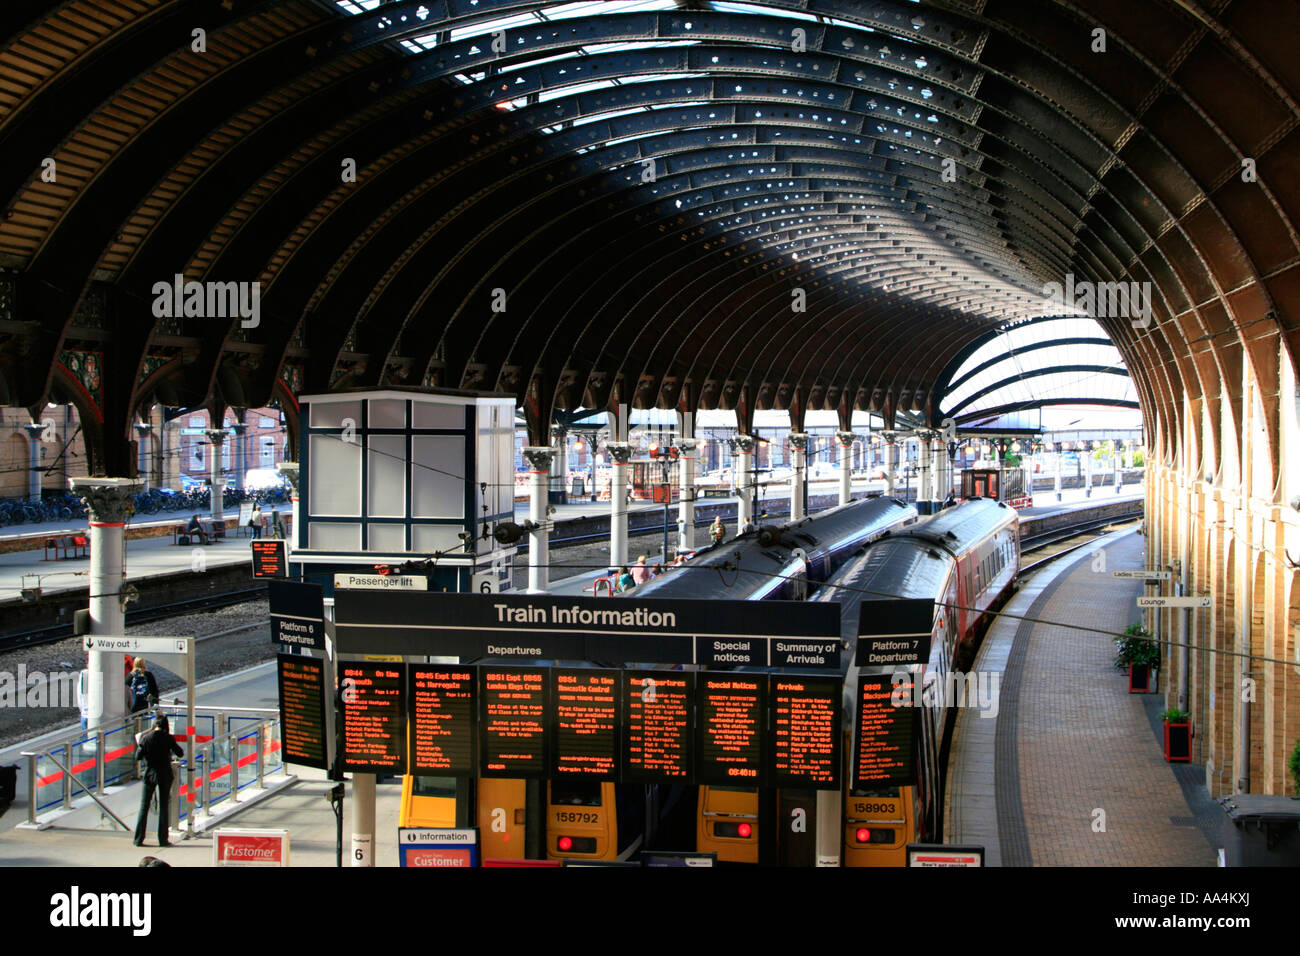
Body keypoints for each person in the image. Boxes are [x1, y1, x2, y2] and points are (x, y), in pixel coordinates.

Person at [133, 714, 183, 848]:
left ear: (154, 725)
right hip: (165, 773)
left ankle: (138, 839)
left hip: (150, 773)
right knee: (164, 806)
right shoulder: (168, 738)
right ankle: (163, 839)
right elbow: (180, 753)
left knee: (144, 806)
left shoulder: (146, 738)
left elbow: (138, 756)